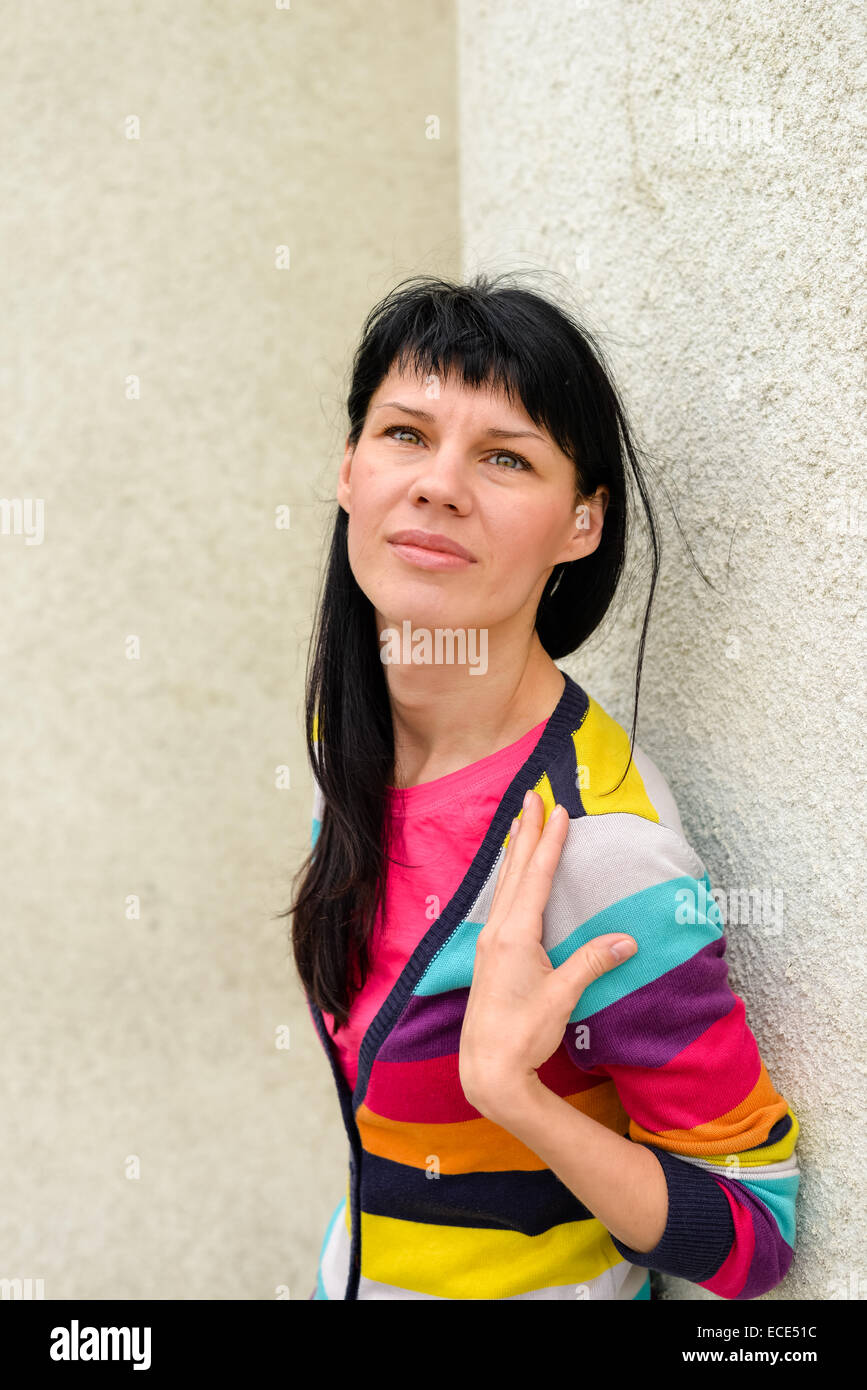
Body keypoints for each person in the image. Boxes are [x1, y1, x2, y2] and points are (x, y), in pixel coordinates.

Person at [283, 271, 801, 1301]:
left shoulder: (601, 847)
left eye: (506, 456)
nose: (437, 483)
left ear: (583, 522)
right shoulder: (354, 737)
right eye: (404, 434)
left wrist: (516, 1096)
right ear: (348, 469)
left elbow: (755, 1232)